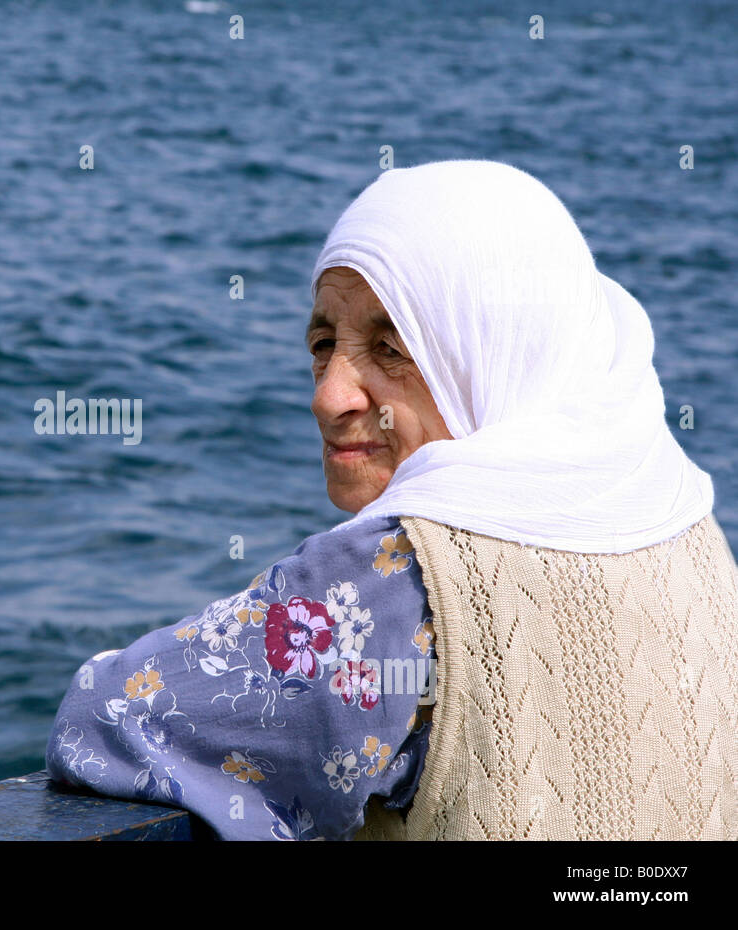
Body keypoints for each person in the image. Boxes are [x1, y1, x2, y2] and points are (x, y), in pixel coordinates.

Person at [44, 159, 738, 840]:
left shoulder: (401, 579)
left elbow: (102, 717)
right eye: (324, 343)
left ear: (489, 351)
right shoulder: (689, 531)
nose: (329, 397)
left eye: (392, 347)